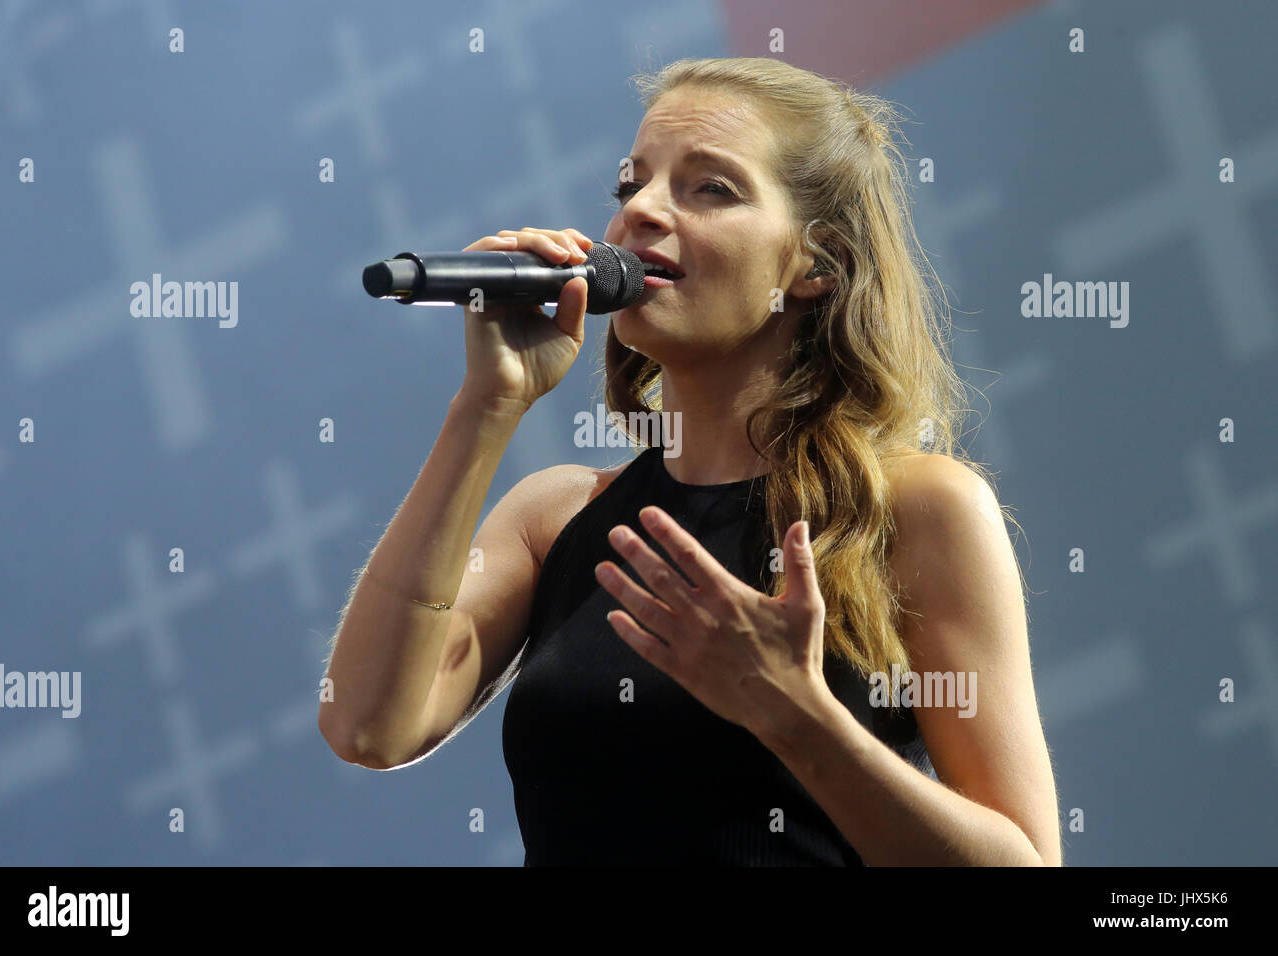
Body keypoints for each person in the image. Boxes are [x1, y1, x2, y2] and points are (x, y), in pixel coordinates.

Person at [320, 56, 1062, 867]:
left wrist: (797, 719)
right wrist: (486, 407)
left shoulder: (917, 510)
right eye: (630, 185)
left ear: (817, 264)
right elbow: (366, 726)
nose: (639, 210)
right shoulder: (555, 518)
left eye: (710, 188)